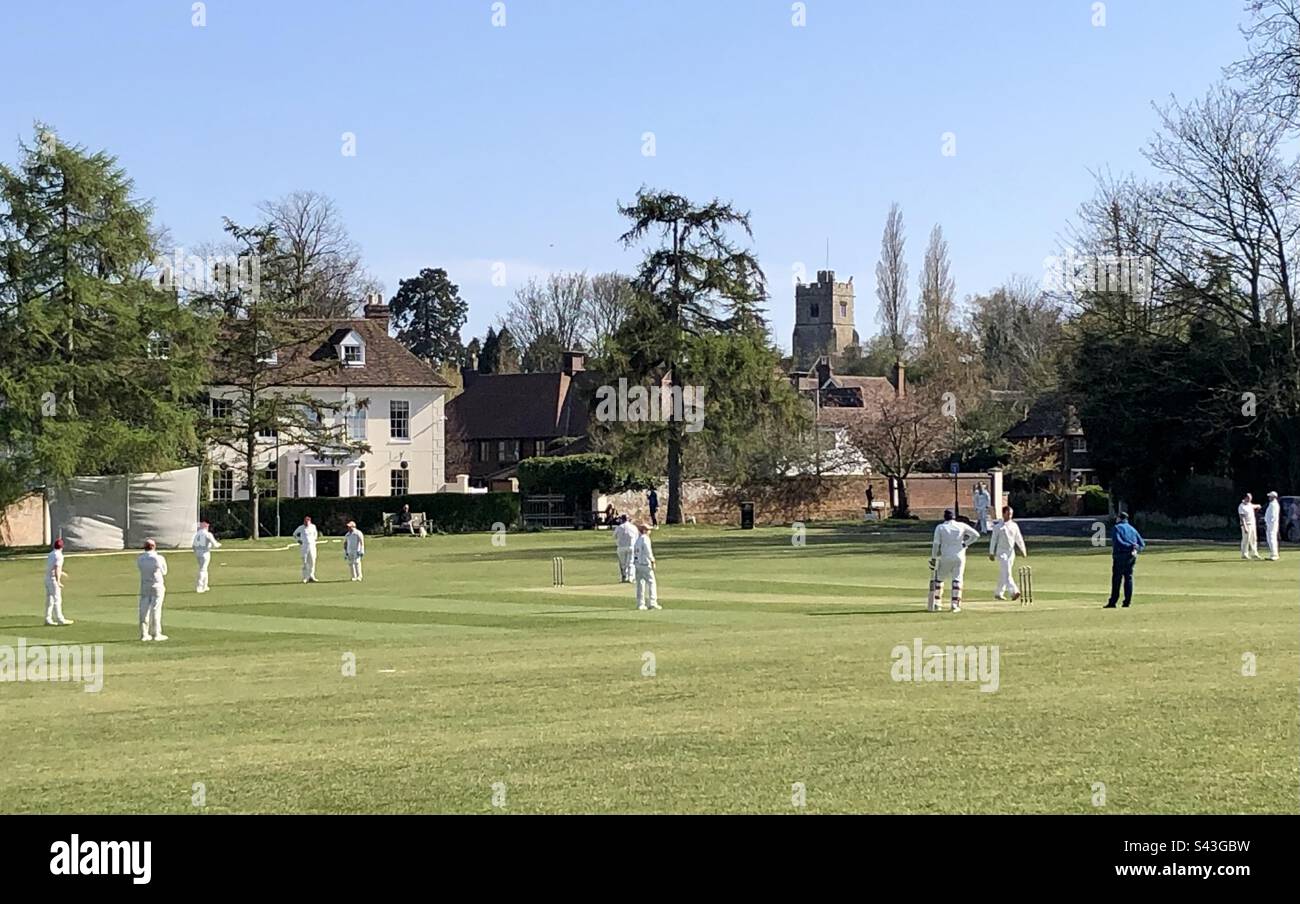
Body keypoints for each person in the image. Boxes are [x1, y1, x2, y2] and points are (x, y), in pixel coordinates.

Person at [929, 509, 980, 613]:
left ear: (944, 517)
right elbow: (976, 535)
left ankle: (937, 603)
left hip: (946, 557)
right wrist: (965, 544)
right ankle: (955, 605)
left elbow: (936, 544)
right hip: (959, 556)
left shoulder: (940, 527)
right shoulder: (961, 525)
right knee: (957, 579)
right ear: (954, 517)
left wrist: (933, 558)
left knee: (939, 579)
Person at [1104, 512, 1146, 608]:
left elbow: (1118, 542)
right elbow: (1142, 544)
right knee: (1128, 577)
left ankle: (1113, 601)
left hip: (1120, 555)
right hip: (1132, 556)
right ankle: (1127, 601)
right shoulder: (1132, 529)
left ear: (1119, 518)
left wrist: (1129, 546)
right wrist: (1135, 548)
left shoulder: (1117, 528)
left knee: (1117, 579)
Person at [988, 505, 1028, 601]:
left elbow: (1018, 538)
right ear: (1004, 514)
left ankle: (998, 593)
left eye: (1011, 514)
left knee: (1004, 573)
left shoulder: (1014, 525)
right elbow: (993, 540)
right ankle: (1014, 591)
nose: (1010, 516)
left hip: (1011, 552)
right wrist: (991, 552)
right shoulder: (998, 526)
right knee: (1007, 572)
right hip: (1001, 552)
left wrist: (1023, 549)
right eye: (1008, 514)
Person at [137, 538, 169, 642]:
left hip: (145, 585)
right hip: (157, 585)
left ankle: (144, 634)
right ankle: (156, 634)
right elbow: (164, 572)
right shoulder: (158, 558)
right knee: (156, 609)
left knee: (144, 610)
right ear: (154, 547)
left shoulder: (140, 558)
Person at [43, 538, 72, 626]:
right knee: (57, 599)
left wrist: (62, 573)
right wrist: (58, 581)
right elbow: (57, 568)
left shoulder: (51, 554)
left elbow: (52, 567)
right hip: (52, 579)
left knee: (50, 599)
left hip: (47, 578)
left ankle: (48, 618)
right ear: (62, 547)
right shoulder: (59, 555)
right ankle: (60, 619)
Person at [633, 522, 660, 610]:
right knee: (651, 582)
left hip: (638, 563)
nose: (650, 531)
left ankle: (640, 603)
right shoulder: (645, 539)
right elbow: (648, 551)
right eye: (648, 530)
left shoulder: (638, 539)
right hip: (645, 563)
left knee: (640, 584)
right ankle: (653, 602)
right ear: (644, 530)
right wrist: (652, 560)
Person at [192, 520, 221, 593]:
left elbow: (194, 545)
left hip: (198, 553)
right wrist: (218, 544)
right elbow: (215, 544)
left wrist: (196, 551)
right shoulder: (208, 534)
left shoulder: (197, 534)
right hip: (205, 553)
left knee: (204, 569)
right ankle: (199, 586)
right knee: (203, 569)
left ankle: (205, 585)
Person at [292, 516, 319, 583]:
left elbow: (315, 534)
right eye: (305, 522)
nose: (306, 524)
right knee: (305, 562)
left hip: (312, 546)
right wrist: (298, 540)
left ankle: (311, 576)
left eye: (307, 522)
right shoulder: (301, 528)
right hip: (304, 546)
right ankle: (305, 577)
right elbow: (294, 534)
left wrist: (314, 540)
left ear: (310, 522)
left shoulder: (313, 526)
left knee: (312, 561)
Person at [1238, 493, 1263, 560]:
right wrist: (1245, 526)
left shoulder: (1249, 505)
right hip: (1246, 525)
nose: (1250, 499)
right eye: (1248, 498)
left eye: (1250, 498)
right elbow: (1242, 517)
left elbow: (1254, 506)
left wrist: (1258, 506)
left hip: (1252, 524)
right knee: (1246, 540)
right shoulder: (1241, 506)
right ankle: (1244, 554)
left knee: (1254, 539)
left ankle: (1254, 553)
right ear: (1245, 498)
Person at [614, 515, 637, 582]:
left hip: (621, 547)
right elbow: (636, 536)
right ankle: (630, 577)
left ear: (622, 519)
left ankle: (624, 577)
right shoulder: (633, 527)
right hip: (631, 546)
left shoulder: (619, 527)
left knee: (623, 564)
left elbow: (614, 536)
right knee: (630, 562)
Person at [1264, 491, 1281, 561]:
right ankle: (1273, 553)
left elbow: (1273, 516)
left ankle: (1274, 554)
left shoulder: (1274, 505)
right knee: (1270, 539)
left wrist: (1268, 524)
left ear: (1273, 497)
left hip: (1271, 525)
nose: (1269, 497)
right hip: (1270, 524)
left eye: (1270, 496)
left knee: (1272, 539)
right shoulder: (1272, 504)